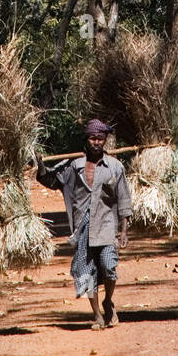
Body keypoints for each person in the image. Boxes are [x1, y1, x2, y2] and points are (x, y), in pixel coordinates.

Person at [36, 119, 132, 330]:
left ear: (105, 140)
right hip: (82, 226)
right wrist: (41, 166)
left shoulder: (115, 167)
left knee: (108, 266)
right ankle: (97, 314)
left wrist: (124, 230)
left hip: (106, 225)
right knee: (86, 271)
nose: (96, 142)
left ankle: (108, 301)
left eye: (100, 138)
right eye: (92, 138)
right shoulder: (74, 166)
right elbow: (52, 181)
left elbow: (124, 198)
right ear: (86, 139)